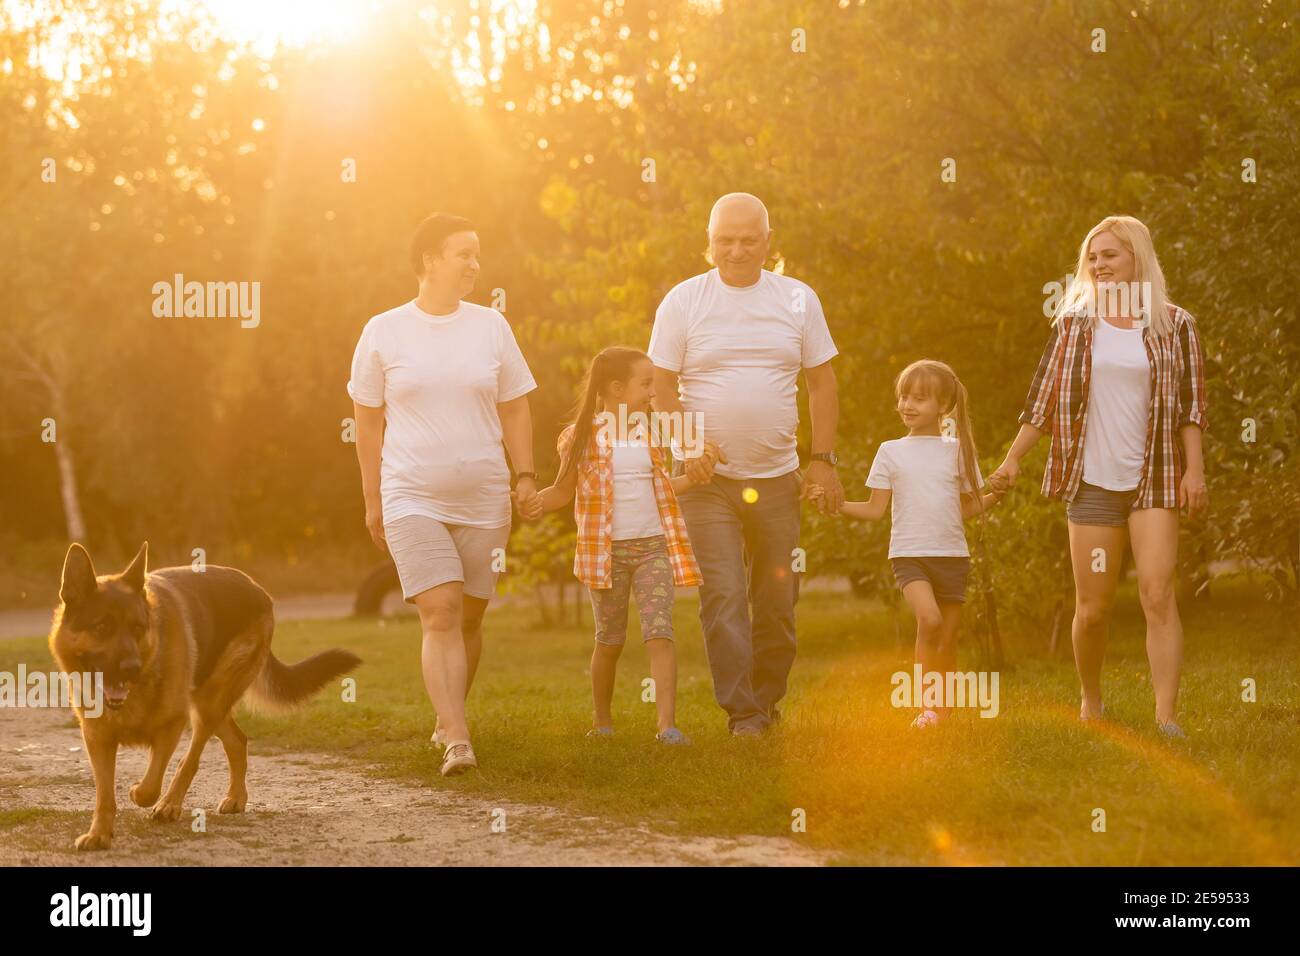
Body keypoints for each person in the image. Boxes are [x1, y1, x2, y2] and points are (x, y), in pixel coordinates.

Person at [989, 215, 1208, 738]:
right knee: (1093, 610)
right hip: (1091, 484)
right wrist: (1012, 459)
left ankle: (1166, 717)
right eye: (1092, 257)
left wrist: (1194, 470)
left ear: (1136, 257)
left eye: (1109, 254)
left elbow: (1192, 407)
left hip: (1153, 480)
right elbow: (1041, 402)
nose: (1098, 264)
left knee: (1158, 595)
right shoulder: (1074, 325)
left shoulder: (1176, 325)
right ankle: (1091, 700)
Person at [348, 213, 538, 775]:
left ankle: (446, 715)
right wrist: (374, 497)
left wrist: (524, 474)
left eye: (478, 255)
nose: (475, 265)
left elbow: (515, 405)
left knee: (471, 618)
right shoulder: (383, 330)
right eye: (464, 254)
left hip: (484, 496)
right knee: (441, 610)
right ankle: (457, 737)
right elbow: (367, 422)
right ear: (430, 259)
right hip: (411, 494)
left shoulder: (491, 326)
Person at [647, 192, 841, 736]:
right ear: (708, 243)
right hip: (709, 485)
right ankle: (745, 713)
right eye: (724, 240)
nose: (736, 250)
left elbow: (821, 382)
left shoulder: (798, 299)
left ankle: (767, 698)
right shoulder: (683, 302)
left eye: (748, 240)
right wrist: (687, 447)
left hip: (779, 477)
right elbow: (661, 385)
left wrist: (822, 460)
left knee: (778, 599)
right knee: (724, 593)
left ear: (767, 243)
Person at [523, 347, 703, 744]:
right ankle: (602, 723)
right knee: (609, 641)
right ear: (617, 388)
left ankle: (667, 727)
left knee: (660, 632)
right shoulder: (580, 436)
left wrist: (693, 476)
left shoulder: (652, 431)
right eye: (646, 384)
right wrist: (535, 501)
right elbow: (563, 490)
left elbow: (663, 490)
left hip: (653, 547)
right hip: (605, 555)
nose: (652, 392)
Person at [809, 360, 1003, 727]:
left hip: (952, 556)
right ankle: (926, 708)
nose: (908, 405)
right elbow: (874, 509)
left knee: (947, 636)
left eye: (920, 398)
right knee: (928, 620)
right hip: (909, 555)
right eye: (903, 397)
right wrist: (835, 505)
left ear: (943, 406)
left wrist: (996, 495)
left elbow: (965, 509)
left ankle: (942, 711)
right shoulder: (890, 451)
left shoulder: (957, 450)